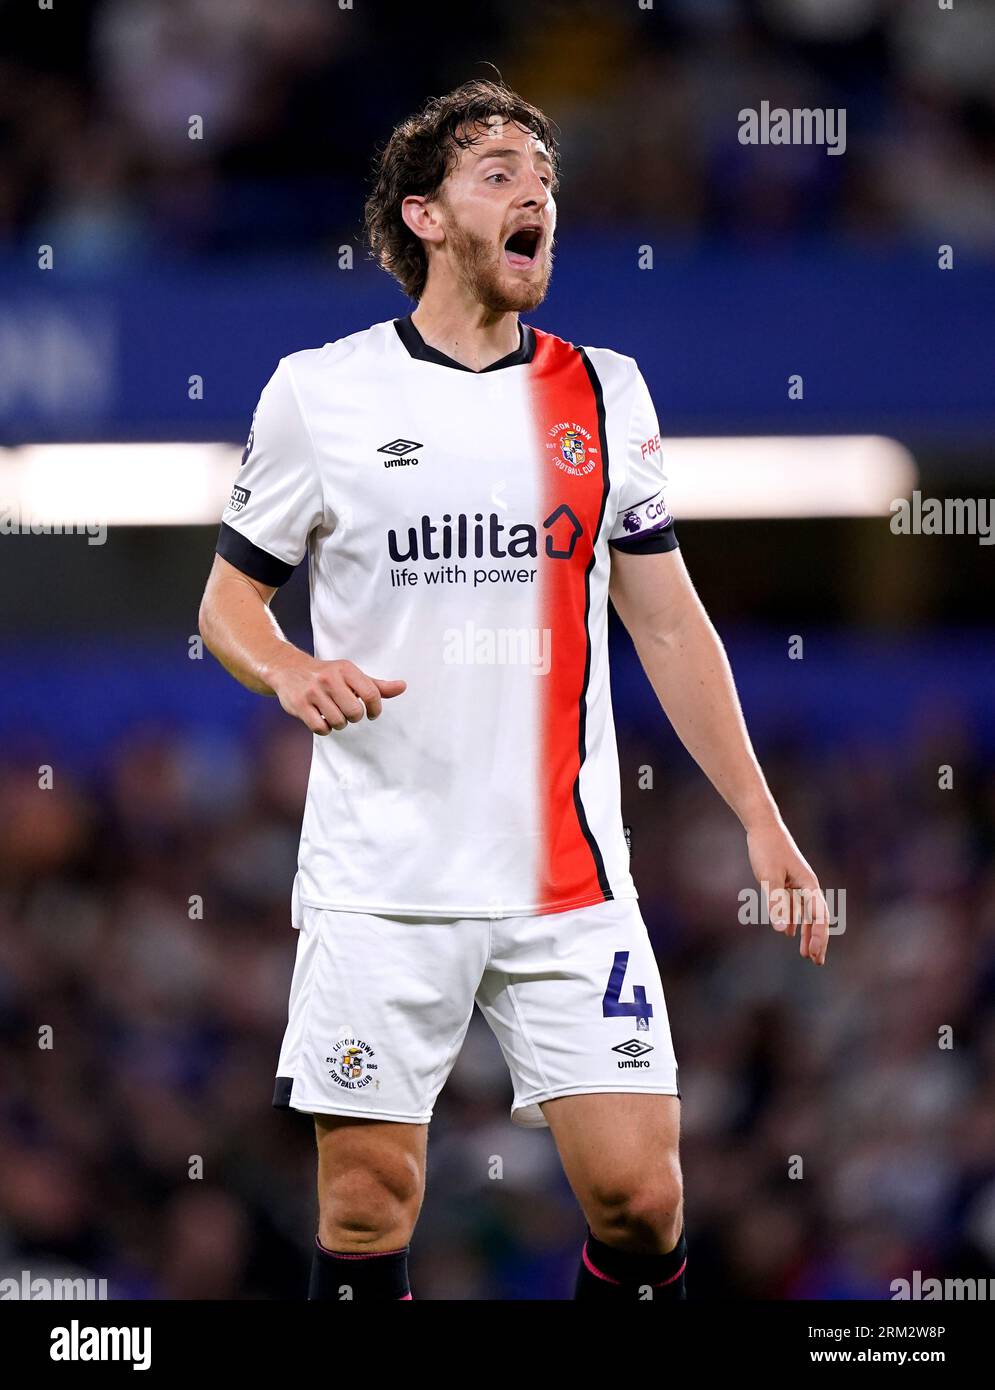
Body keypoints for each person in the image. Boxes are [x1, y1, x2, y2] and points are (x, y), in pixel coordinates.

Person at [198, 78, 830, 1303]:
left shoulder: (605, 391)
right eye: (497, 171)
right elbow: (228, 603)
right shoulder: (320, 394)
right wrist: (290, 668)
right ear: (426, 217)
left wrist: (760, 816)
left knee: (641, 1200)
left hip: (567, 877)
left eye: (543, 173)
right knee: (368, 1202)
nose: (534, 188)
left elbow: (666, 618)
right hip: (383, 878)